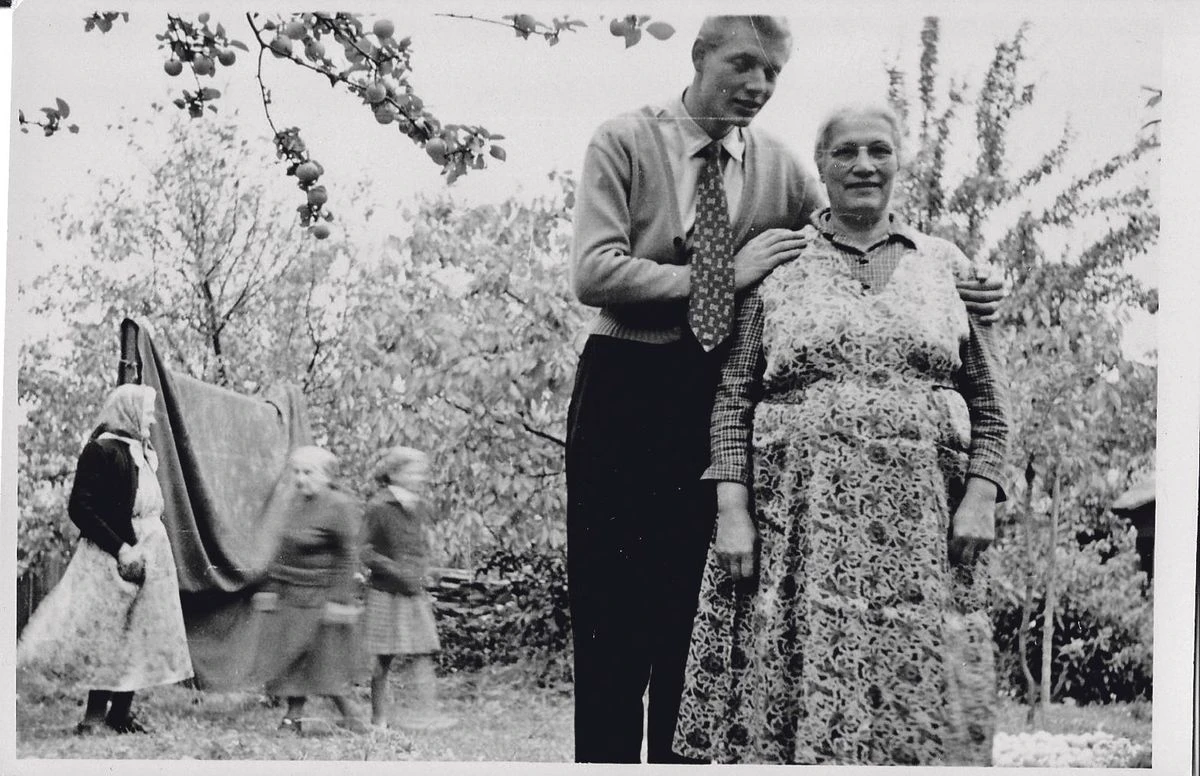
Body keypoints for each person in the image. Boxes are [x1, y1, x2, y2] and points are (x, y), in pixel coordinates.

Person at [566, 15, 1008, 764]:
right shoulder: (625, 140)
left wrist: (966, 279)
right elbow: (594, 272)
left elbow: (856, 233)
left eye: (773, 72)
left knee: (697, 620)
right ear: (700, 55)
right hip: (627, 386)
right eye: (743, 65)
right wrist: (721, 275)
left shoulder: (778, 165)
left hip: (712, 399)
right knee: (612, 625)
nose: (758, 86)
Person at [671, 104, 1010, 765]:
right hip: (798, 524)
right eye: (846, 152)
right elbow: (734, 398)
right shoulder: (778, 262)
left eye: (879, 150)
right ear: (820, 165)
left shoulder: (945, 264)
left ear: (898, 163)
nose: (863, 165)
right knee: (794, 690)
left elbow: (992, 404)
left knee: (926, 700)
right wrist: (732, 509)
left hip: (925, 530)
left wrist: (981, 496)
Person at [17, 383, 194, 734]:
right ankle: (94, 718)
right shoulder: (100, 451)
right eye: (146, 412)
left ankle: (120, 714)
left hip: (150, 553)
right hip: (113, 556)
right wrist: (121, 548)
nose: (151, 421)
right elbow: (81, 508)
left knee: (139, 634)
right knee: (108, 636)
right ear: (127, 411)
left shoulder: (142, 452)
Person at [251, 445, 366, 734]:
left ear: (326, 475)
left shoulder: (339, 505)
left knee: (322, 659)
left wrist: (340, 599)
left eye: (308, 472)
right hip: (290, 592)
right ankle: (294, 716)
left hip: (322, 595)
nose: (301, 479)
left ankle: (350, 714)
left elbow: (348, 555)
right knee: (291, 655)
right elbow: (283, 548)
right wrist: (270, 587)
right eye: (297, 472)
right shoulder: (293, 501)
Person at [360, 446, 455, 732]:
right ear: (394, 473)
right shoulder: (378, 506)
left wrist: (423, 570)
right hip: (386, 592)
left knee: (423, 651)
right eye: (413, 471)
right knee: (383, 658)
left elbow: (418, 546)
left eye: (421, 472)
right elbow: (364, 551)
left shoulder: (417, 505)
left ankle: (429, 714)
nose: (420, 477)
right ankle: (379, 721)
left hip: (413, 591)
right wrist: (395, 570)